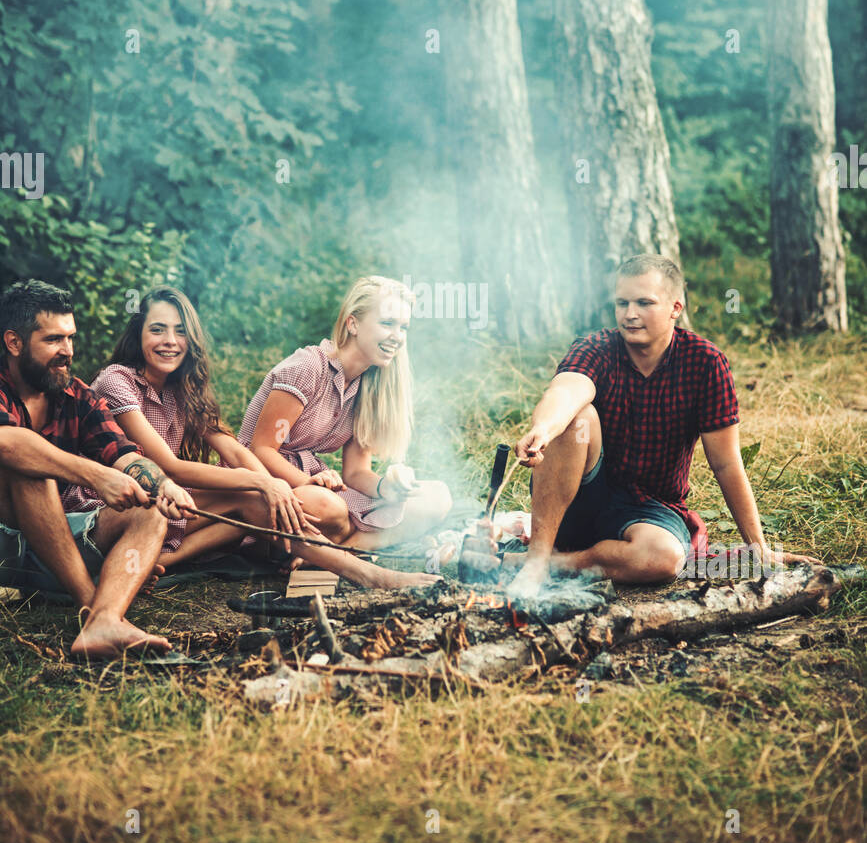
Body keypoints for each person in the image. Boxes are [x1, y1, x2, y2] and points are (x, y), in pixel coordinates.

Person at [65, 286, 431, 591]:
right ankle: (370, 574)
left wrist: (272, 487)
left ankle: (169, 559)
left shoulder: (181, 390)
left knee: (259, 499)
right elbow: (168, 466)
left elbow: (233, 449)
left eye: (180, 332)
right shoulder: (117, 380)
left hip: (164, 503)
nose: (170, 342)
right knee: (258, 496)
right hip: (110, 508)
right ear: (138, 334)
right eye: (157, 330)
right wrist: (264, 482)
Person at [505, 255, 819, 596]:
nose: (630, 314)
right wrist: (545, 428)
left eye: (644, 303)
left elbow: (726, 463)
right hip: (582, 497)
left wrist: (757, 548)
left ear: (675, 308)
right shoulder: (596, 347)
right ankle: (535, 563)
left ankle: (556, 564)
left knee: (664, 558)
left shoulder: (705, 363)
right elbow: (567, 389)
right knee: (577, 417)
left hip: (650, 508)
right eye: (622, 303)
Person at [0, 280, 196, 660]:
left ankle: (105, 622)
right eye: (54, 340)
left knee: (149, 513)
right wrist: (95, 475)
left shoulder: (78, 395)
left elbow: (125, 454)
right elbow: (9, 442)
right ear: (14, 342)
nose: (67, 351)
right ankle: (93, 605)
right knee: (32, 465)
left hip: (55, 543)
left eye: (70, 339)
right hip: (4, 543)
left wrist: (161, 484)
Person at [239, 276, 451, 572]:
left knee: (436, 496)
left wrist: (385, 488)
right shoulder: (306, 368)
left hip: (321, 489)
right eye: (387, 323)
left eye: (403, 327)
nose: (397, 336)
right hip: (264, 486)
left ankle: (339, 552)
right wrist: (308, 483)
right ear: (352, 324)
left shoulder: (369, 384)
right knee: (329, 507)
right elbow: (260, 449)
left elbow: (355, 472)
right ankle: (337, 548)